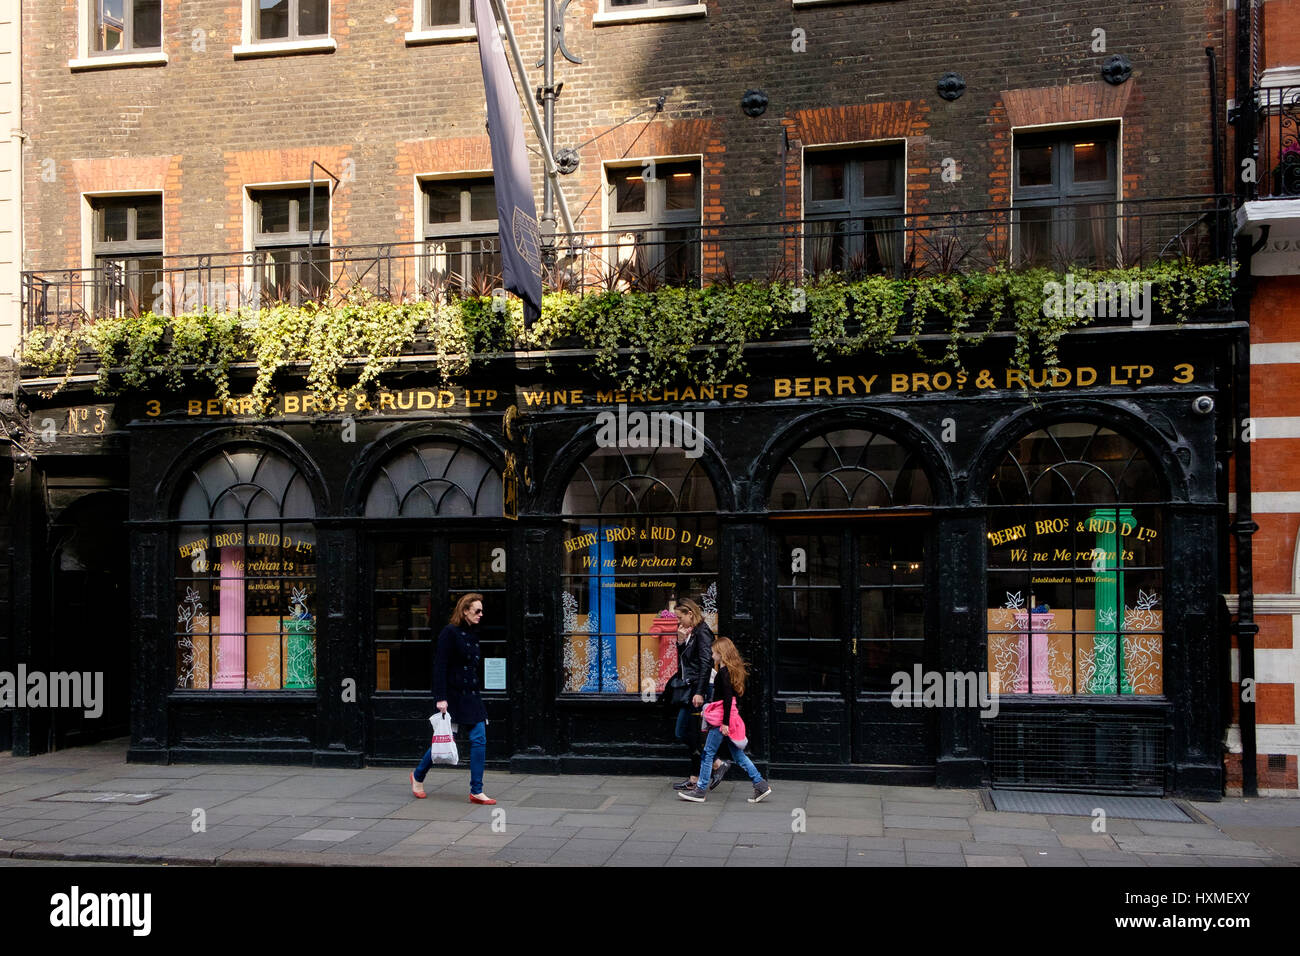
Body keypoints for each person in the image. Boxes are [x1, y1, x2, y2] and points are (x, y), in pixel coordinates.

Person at [410, 593, 495, 805]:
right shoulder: (449, 633)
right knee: (444, 740)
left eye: (481, 610)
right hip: (454, 696)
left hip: (472, 695)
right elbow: (440, 666)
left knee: (479, 740)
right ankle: (418, 776)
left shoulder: (474, 633)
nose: (480, 614)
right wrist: (441, 698)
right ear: (464, 610)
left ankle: (476, 790)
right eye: (477, 610)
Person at [678, 636, 771, 803]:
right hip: (726, 717)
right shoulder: (728, 671)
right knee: (738, 755)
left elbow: (727, 700)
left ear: (721, 653)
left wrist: (725, 723)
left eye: (714, 653)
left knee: (707, 754)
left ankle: (700, 790)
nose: (712, 655)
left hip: (721, 720)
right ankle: (760, 784)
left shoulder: (723, 673)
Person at [667, 598, 730, 792]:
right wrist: (679, 641)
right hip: (691, 687)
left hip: (698, 689)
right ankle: (695, 777)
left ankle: (717, 764)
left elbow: (706, 663)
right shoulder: (692, 632)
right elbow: (686, 662)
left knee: (689, 733)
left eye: (680, 617)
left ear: (690, 614)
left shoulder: (702, 632)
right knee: (687, 733)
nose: (679, 622)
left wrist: (700, 692)